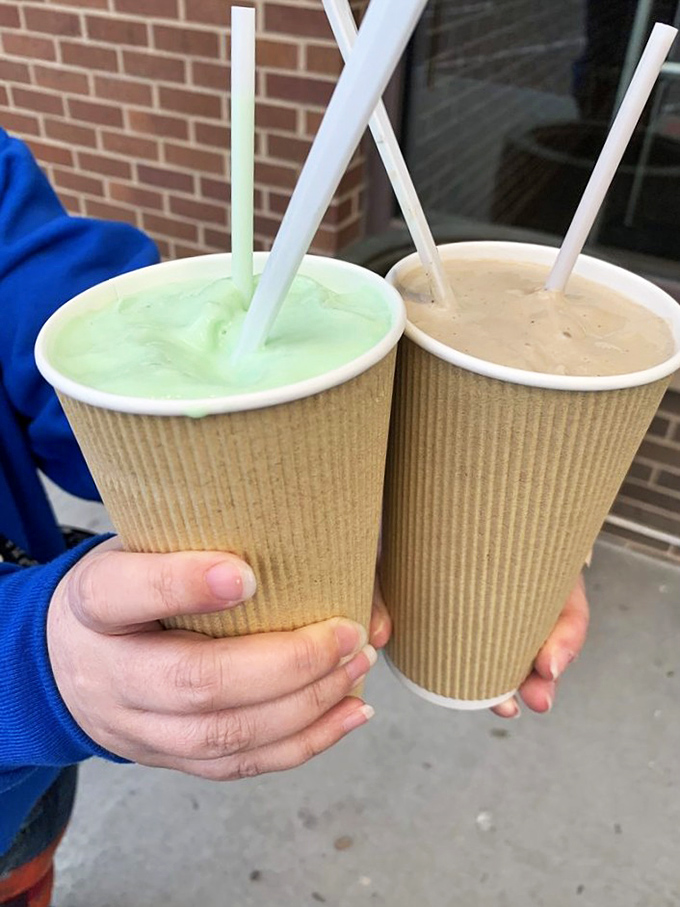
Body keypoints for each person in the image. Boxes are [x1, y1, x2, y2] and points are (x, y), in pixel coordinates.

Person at [0, 128, 589, 906]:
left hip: (37, 779)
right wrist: (31, 674)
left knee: (31, 864)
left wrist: (485, 510)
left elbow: (78, 338)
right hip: (30, 723)